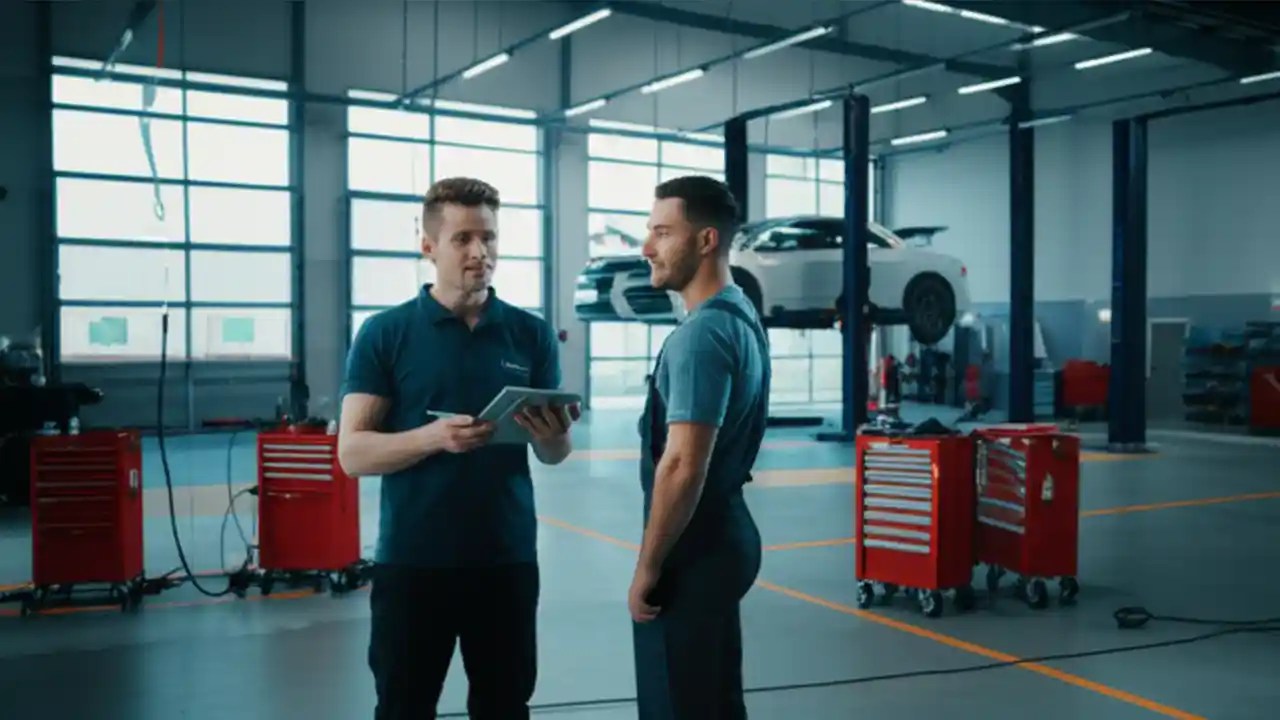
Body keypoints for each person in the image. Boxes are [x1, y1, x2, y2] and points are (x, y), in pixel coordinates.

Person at [337, 177, 580, 720]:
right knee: (404, 705)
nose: (480, 253)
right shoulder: (385, 334)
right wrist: (434, 438)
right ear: (429, 247)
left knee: (504, 705)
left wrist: (551, 433)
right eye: (463, 239)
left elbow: (556, 454)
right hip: (414, 561)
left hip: (506, 558)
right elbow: (352, 454)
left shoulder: (530, 335)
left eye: (489, 238)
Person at [628, 175, 771, 719]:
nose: (647, 247)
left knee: (677, 705)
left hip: (694, 548)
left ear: (706, 240)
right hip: (728, 534)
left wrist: (648, 567)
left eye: (662, 232)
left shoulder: (699, 338)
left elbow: (683, 465)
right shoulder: (741, 317)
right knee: (714, 704)